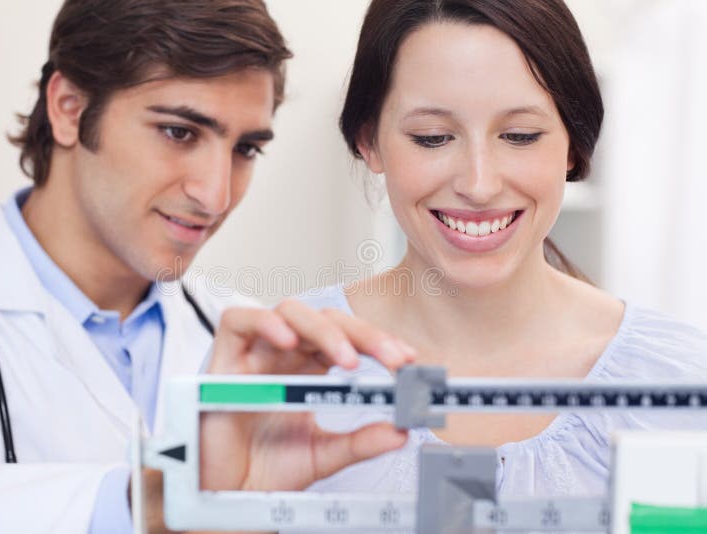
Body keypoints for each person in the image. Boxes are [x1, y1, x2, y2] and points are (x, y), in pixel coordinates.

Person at [0, 1, 417, 533]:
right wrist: (154, 500)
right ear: (67, 107)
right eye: (179, 132)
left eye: (245, 148)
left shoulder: (251, 342)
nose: (215, 194)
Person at [299, 0, 707, 512]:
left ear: (574, 147)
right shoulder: (284, 371)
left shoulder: (676, 382)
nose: (479, 184)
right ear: (369, 141)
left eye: (519, 136)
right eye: (432, 138)